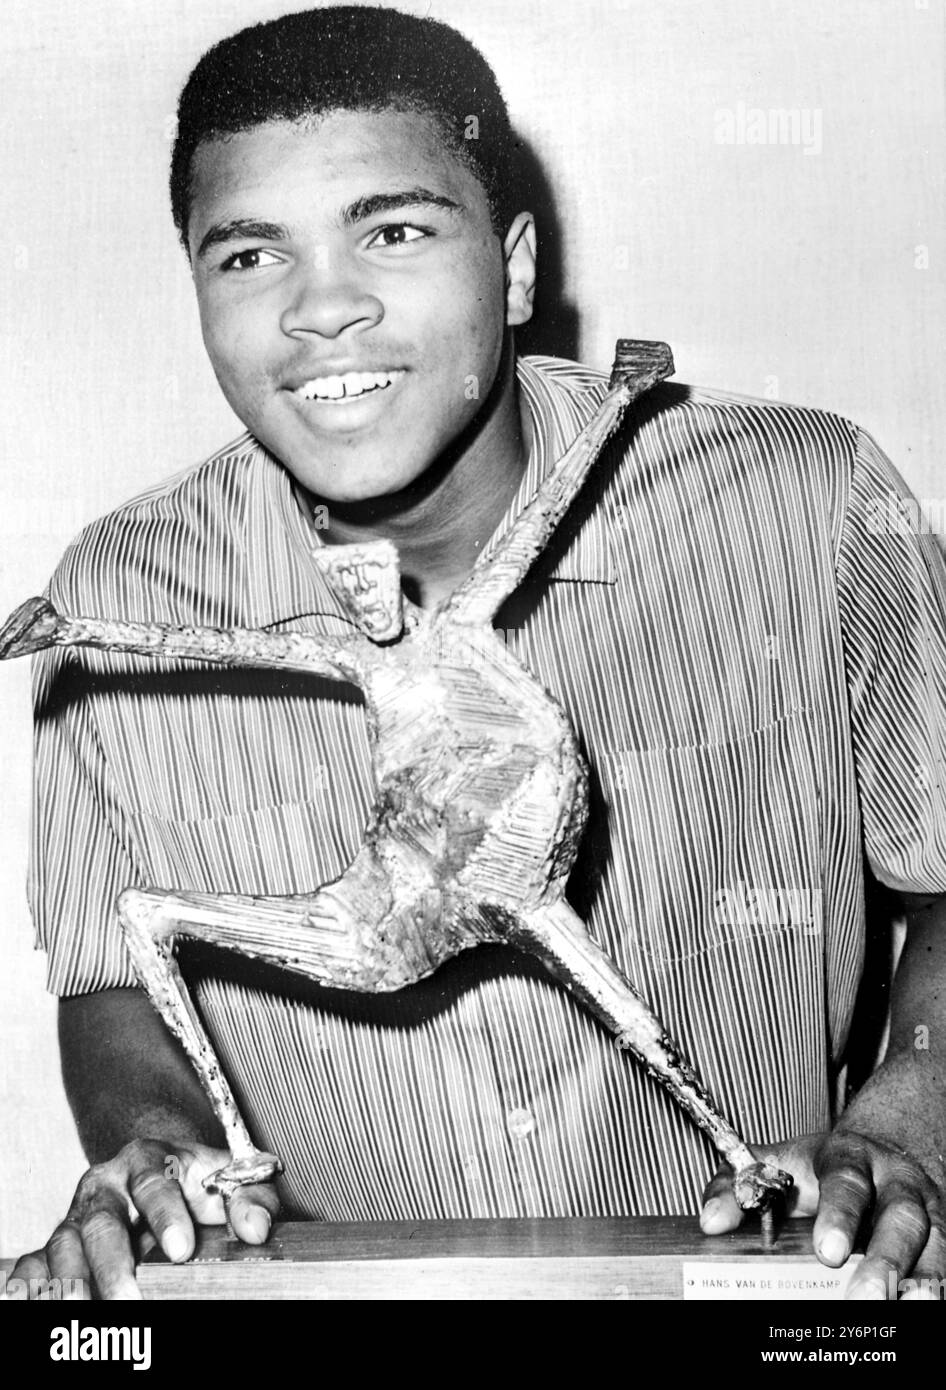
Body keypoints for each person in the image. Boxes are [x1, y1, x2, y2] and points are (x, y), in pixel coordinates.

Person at [10, 5, 946, 1301]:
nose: (321, 308)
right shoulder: (116, 589)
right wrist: (153, 1148)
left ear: (510, 268)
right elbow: (115, 983)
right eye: (248, 255)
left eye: (391, 230)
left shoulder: (811, 503)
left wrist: (905, 1121)